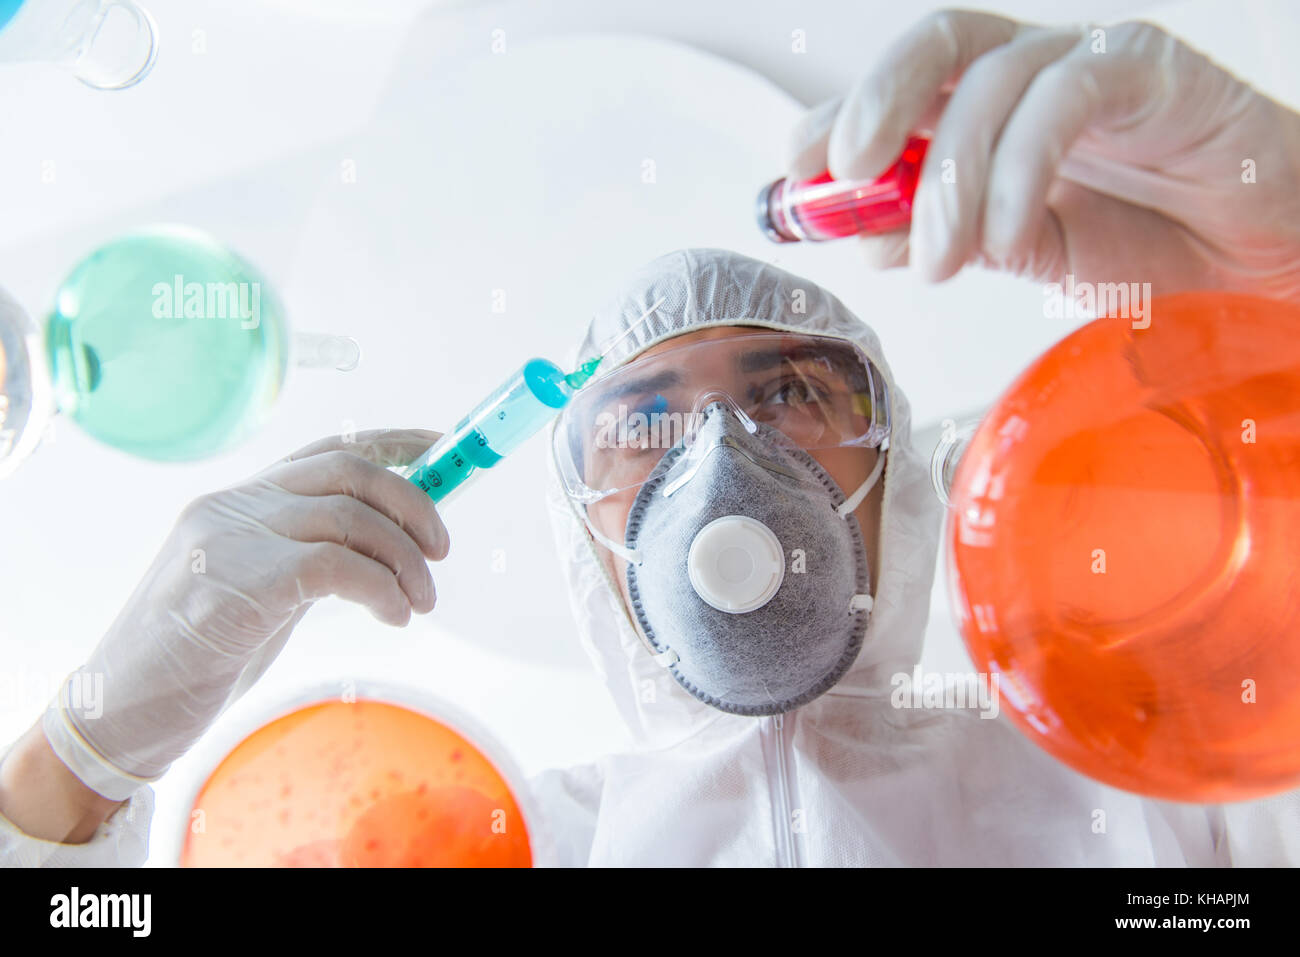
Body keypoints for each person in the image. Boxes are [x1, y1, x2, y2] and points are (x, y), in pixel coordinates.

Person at [3, 10, 1300, 866]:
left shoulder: (1161, 806)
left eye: (792, 391)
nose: (726, 455)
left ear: (901, 463)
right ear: (582, 532)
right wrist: (77, 758)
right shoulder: (497, 838)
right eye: (643, 423)